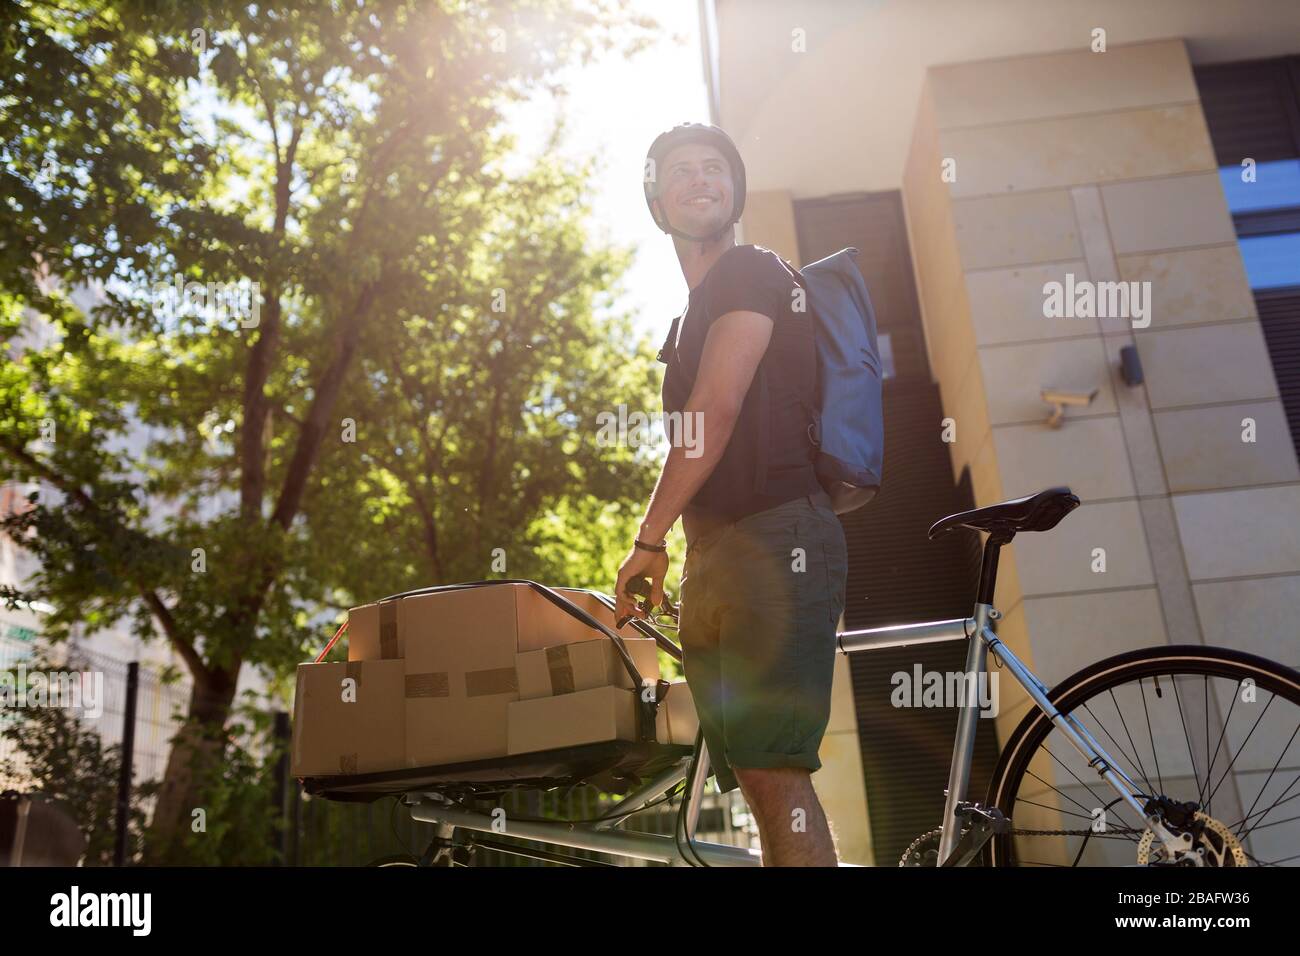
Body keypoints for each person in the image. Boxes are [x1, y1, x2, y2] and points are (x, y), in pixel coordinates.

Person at [614, 123, 848, 867]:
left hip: (777, 537)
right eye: (680, 170)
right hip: (716, 553)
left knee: (775, 773)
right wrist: (678, 552)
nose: (700, 178)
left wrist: (647, 541)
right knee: (753, 773)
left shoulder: (749, 271)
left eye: (715, 167)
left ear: (735, 188)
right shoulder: (688, 316)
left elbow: (714, 412)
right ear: (657, 198)